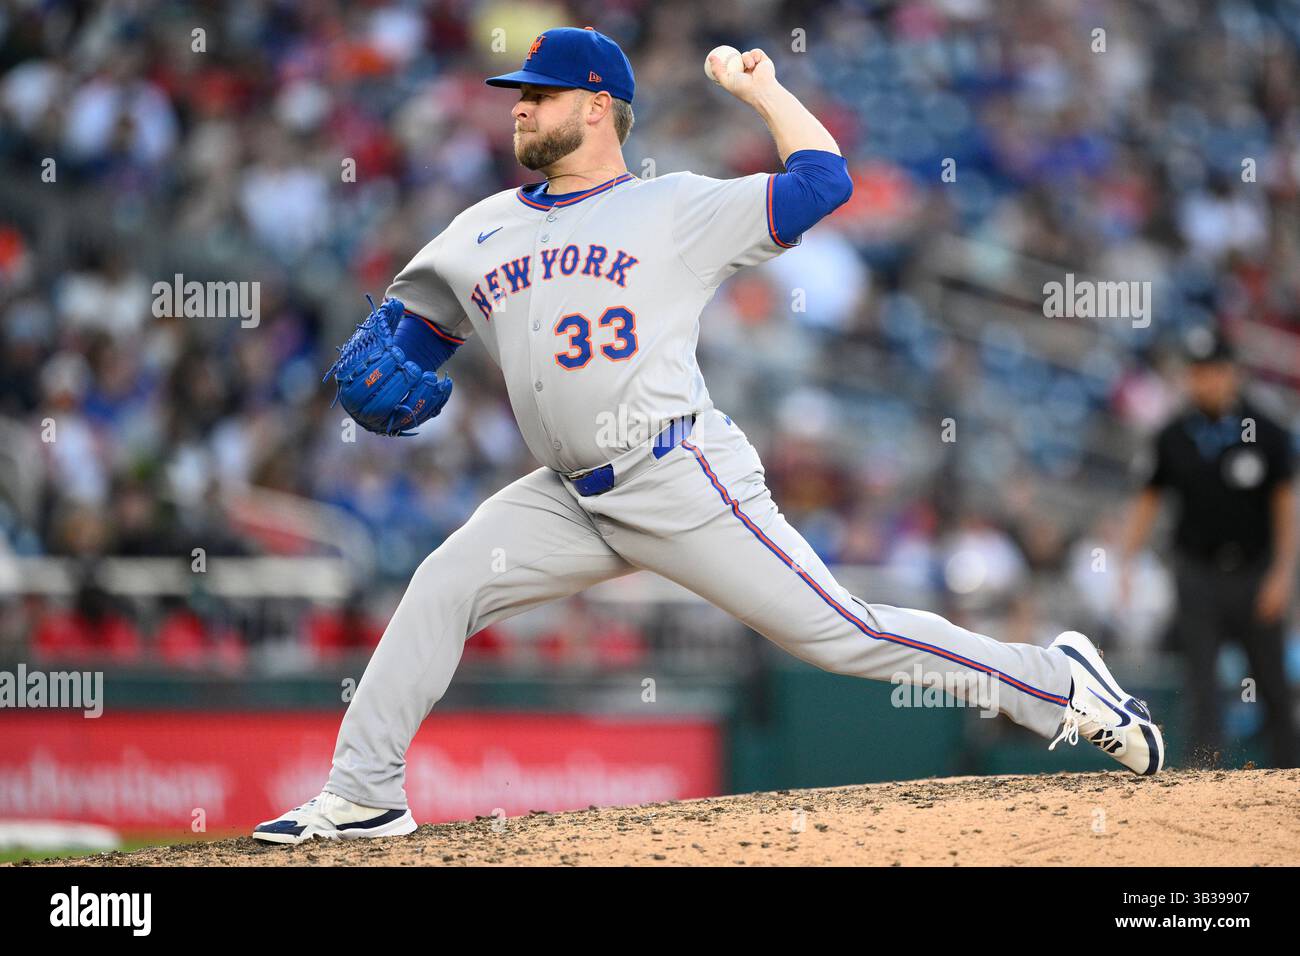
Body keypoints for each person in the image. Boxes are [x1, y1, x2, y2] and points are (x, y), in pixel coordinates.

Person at [253, 27, 1164, 844]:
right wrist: (380, 380)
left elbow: (823, 182)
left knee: (841, 633)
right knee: (442, 584)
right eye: (517, 93)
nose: (520, 106)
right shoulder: (479, 230)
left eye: (539, 92)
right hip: (567, 493)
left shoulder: (676, 207)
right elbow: (412, 340)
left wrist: (764, 91)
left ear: (600, 107)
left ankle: (1058, 682)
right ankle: (362, 796)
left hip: (678, 473)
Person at [1120, 328, 1297, 767]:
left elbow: (1284, 504)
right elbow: (1149, 498)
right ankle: (1203, 781)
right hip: (1197, 574)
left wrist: (1282, 573)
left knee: (1272, 683)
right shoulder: (1173, 436)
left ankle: (1290, 774)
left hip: (1255, 572)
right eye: (1198, 372)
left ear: (1232, 373)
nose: (1207, 381)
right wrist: (1125, 562)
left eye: (1215, 371)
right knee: (1201, 683)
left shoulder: (1267, 431)